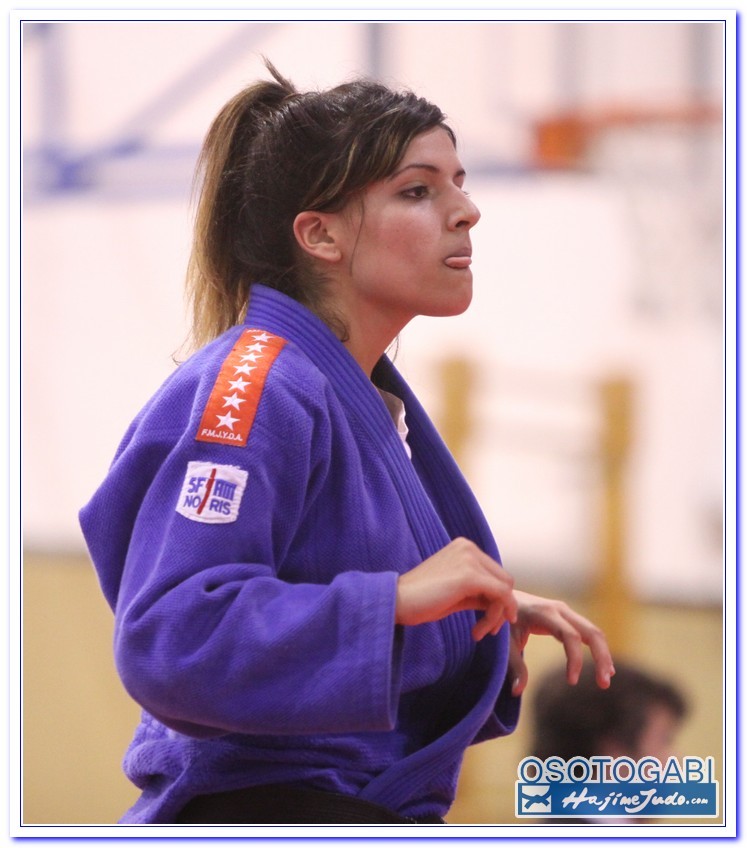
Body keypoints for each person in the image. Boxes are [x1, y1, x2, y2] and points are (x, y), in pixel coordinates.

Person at [79, 60, 615, 825]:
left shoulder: (351, 394)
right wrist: (395, 601)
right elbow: (174, 634)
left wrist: (463, 616)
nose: (466, 211)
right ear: (320, 235)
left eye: (458, 182)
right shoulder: (257, 384)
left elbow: (315, 581)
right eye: (418, 189)